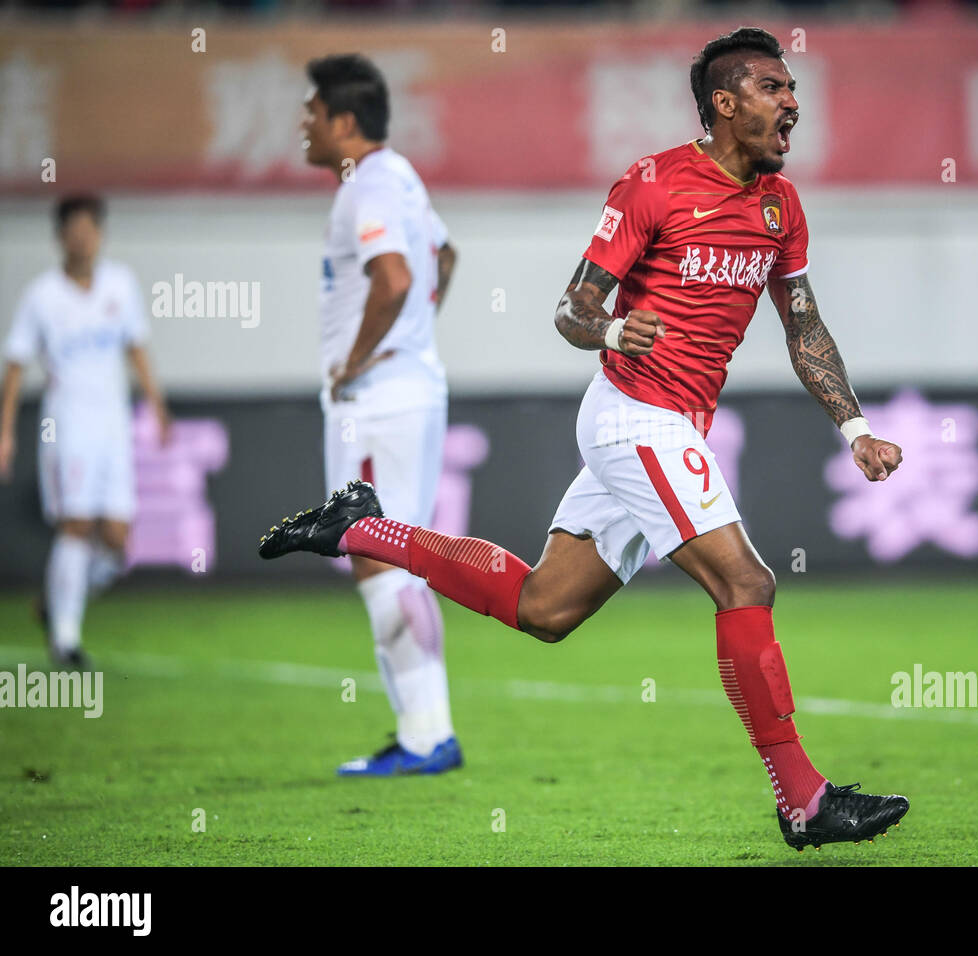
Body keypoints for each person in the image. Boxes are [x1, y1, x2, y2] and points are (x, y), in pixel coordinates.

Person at [263, 29, 908, 850]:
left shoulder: (781, 205)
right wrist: (610, 331)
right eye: (775, 89)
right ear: (726, 102)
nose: (793, 104)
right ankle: (806, 801)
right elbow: (572, 308)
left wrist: (854, 427)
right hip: (636, 414)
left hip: (669, 425)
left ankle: (358, 526)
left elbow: (803, 324)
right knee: (746, 585)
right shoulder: (652, 185)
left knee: (546, 609)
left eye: (792, 90)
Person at [300, 53, 461, 776]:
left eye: (311, 111)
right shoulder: (402, 177)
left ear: (342, 121)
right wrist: (410, 343)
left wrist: (363, 357)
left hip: (380, 398)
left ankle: (427, 736)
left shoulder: (366, 184)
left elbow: (393, 278)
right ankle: (426, 732)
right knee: (390, 557)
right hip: (410, 388)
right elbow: (446, 257)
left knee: (377, 556)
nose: (303, 124)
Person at [0, 195, 170, 669]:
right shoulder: (42, 295)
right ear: (60, 237)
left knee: (118, 539)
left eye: (89, 229)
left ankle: (56, 600)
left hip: (112, 426)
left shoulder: (120, 284)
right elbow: (15, 364)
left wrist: (157, 405)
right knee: (75, 524)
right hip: (67, 425)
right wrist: (5, 432)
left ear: (100, 234)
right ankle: (66, 638)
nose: (82, 238)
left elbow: (136, 347)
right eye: (73, 230)